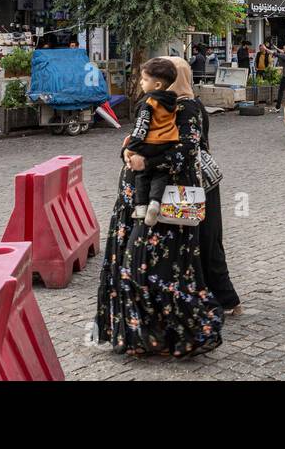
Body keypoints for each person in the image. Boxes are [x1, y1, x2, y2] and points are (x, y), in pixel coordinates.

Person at [94, 61, 223, 358]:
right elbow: (134, 141)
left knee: (162, 270)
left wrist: (148, 163)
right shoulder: (149, 106)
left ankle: (170, 337)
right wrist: (127, 153)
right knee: (133, 266)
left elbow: (189, 152)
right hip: (135, 200)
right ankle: (142, 338)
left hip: (171, 201)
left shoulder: (187, 108)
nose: (145, 82)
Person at [167, 57, 240, 314]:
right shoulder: (186, 103)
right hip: (193, 183)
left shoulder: (185, 107)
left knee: (198, 240)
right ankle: (216, 297)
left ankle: (221, 299)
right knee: (200, 239)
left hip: (190, 184)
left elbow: (186, 149)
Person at [125, 59, 182, 227]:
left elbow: (141, 126)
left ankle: (141, 206)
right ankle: (155, 203)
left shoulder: (149, 102)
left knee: (142, 173)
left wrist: (131, 147)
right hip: (168, 142)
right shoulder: (172, 101)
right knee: (160, 174)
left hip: (149, 142)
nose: (141, 83)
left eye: (144, 79)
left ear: (157, 85)